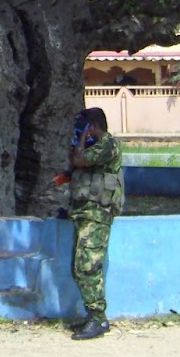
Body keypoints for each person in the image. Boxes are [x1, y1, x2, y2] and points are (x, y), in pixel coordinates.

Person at [67, 106, 123, 341]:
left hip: (97, 215)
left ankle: (98, 317)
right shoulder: (94, 146)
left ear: (94, 126)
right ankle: (92, 314)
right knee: (77, 267)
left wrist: (81, 139)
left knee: (88, 267)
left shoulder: (107, 145)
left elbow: (79, 159)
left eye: (85, 127)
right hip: (84, 213)